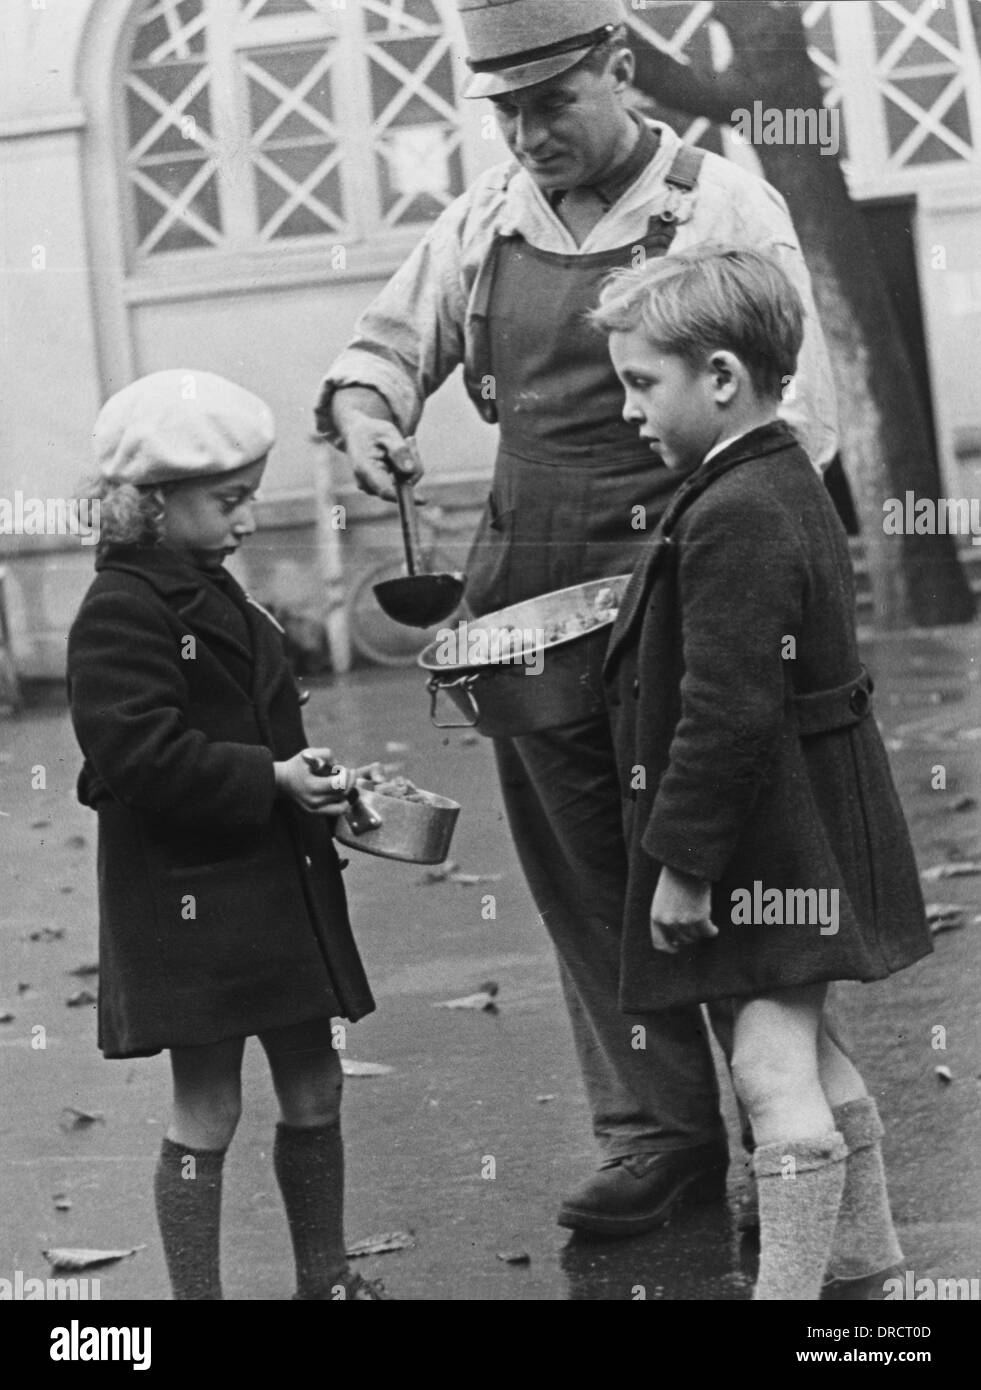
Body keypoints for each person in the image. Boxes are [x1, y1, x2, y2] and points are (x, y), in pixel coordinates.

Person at [316, 0, 838, 1235]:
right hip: (528, 607)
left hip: (686, 601)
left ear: (619, 68)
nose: (528, 132)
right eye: (506, 110)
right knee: (585, 879)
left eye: (552, 101)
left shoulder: (720, 213)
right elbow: (389, 342)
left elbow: (795, 427)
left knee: (716, 855)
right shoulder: (486, 217)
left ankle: (790, 1129)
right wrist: (367, 418)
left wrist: (748, 581)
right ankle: (654, 1135)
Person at [594, 246, 932, 1298]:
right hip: (811, 821)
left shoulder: (733, 509)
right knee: (814, 1054)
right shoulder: (782, 472)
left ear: (724, 376)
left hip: (765, 833)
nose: (627, 410)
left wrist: (683, 864)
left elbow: (729, 709)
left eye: (643, 382)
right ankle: (869, 1280)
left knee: (768, 1071)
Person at [67, 370, 388, 1301]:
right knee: (207, 1103)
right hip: (189, 900)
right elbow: (140, 758)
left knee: (316, 1085)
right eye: (230, 500)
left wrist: (314, 781)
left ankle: (325, 1281)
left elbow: (256, 726)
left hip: (273, 882)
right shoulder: (123, 608)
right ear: (154, 505)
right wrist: (270, 779)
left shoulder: (213, 587)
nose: (248, 519)